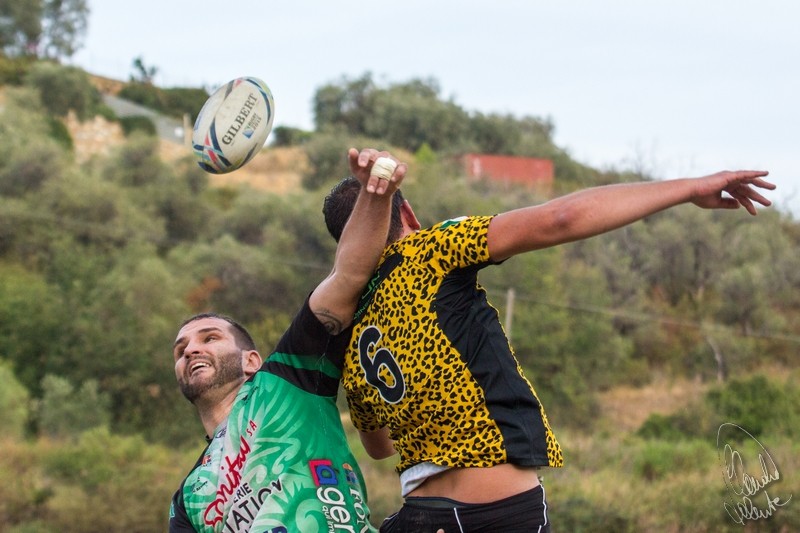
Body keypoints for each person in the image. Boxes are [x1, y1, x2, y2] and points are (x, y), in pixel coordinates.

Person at [322, 168, 775, 532]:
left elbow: (378, 446)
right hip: (495, 512)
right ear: (411, 217)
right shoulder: (432, 249)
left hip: (420, 517)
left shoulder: (350, 329)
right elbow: (561, 219)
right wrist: (689, 188)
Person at [168, 148, 407, 533]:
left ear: (251, 360)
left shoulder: (288, 379)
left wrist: (374, 194)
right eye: (181, 350)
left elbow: (347, 277)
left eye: (209, 338)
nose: (191, 349)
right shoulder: (188, 500)